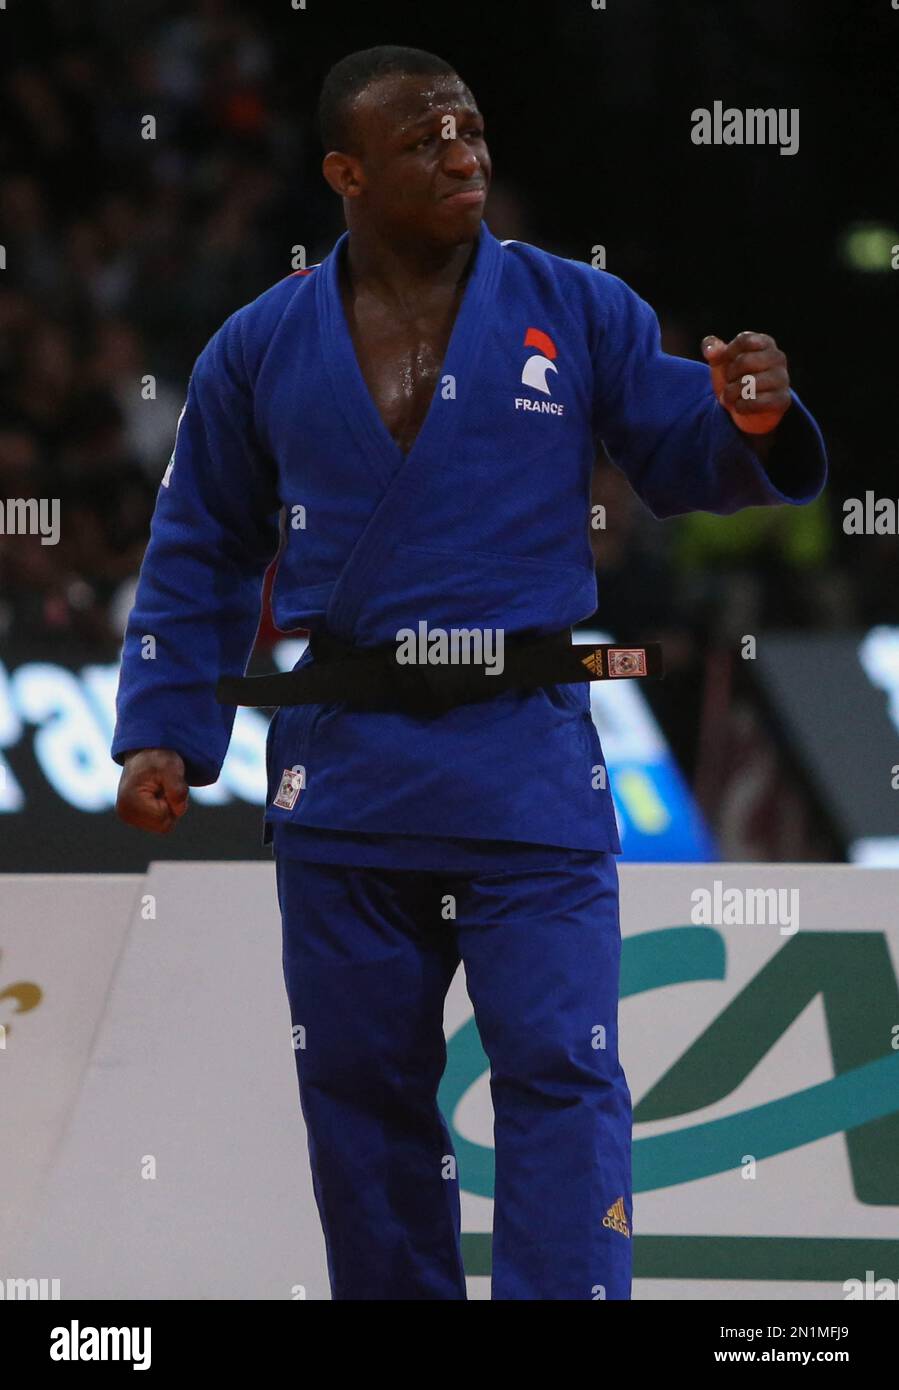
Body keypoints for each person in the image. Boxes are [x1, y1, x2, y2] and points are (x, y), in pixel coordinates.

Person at [112, 45, 827, 1300]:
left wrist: (750, 420)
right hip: (348, 771)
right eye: (423, 140)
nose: (462, 155)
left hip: (523, 758)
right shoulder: (258, 344)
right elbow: (202, 544)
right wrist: (162, 728)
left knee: (560, 1069)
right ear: (344, 173)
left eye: (471, 130)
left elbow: (678, 441)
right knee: (359, 1088)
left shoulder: (575, 304)